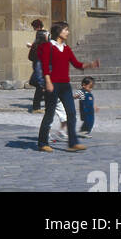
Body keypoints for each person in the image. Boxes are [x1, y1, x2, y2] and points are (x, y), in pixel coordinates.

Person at [38, 21, 99, 153]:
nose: (68, 32)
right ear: (58, 32)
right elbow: (44, 66)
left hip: (65, 85)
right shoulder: (48, 46)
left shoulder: (66, 48)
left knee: (71, 113)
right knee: (49, 114)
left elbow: (76, 64)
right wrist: (48, 81)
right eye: (65, 30)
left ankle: (72, 143)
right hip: (52, 84)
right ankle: (42, 143)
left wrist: (90, 65)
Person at [27, 18, 47, 112]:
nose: (34, 29)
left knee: (40, 84)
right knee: (38, 83)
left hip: (39, 60)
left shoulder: (41, 33)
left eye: (34, 27)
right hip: (40, 60)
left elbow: (41, 46)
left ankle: (36, 107)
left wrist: (31, 46)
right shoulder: (44, 33)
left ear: (37, 26)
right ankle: (38, 106)